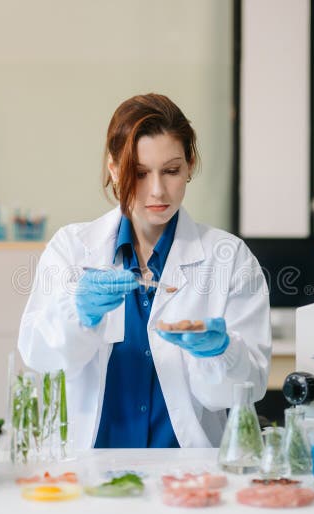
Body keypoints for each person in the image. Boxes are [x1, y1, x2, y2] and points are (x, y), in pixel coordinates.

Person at [17, 93, 271, 449]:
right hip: (92, 469)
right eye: (139, 173)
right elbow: (39, 357)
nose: (157, 190)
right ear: (113, 169)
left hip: (188, 472)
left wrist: (220, 352)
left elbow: (243, 390)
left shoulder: (229, 257)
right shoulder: (71, 248)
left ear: (190, 165)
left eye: (171, 171)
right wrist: (79, 313)